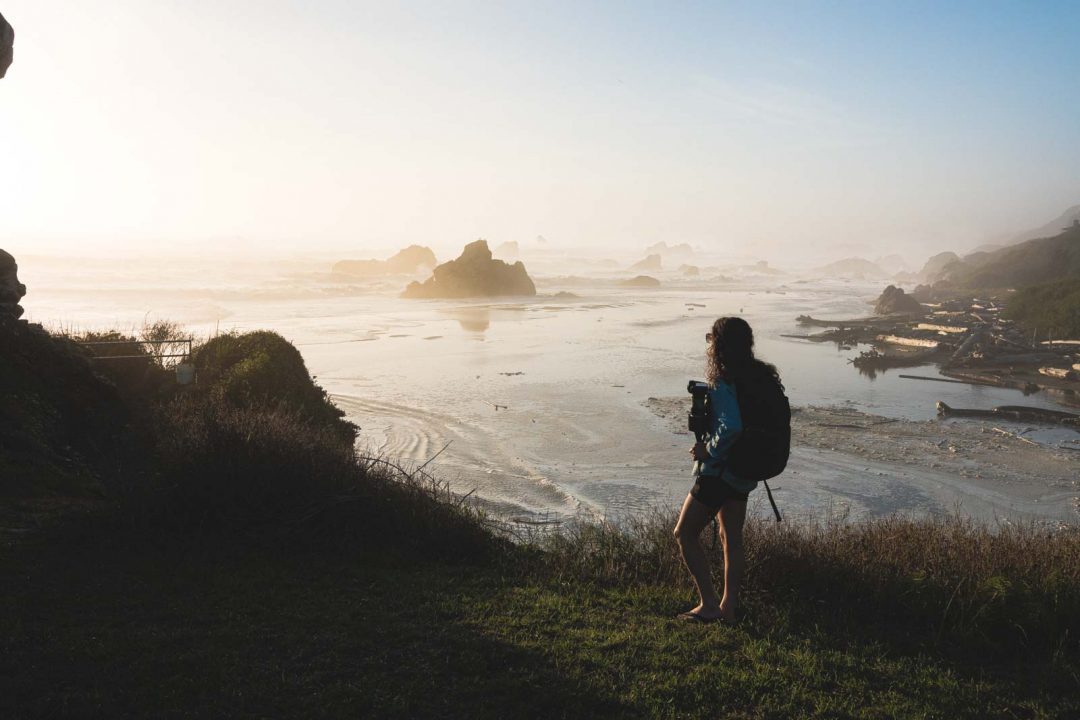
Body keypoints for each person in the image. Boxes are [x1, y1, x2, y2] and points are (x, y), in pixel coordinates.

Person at [674, 316, 782, 624]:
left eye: (712, 339)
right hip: (745, 470)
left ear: (719, 345)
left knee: (684, 533)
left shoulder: (724, 380)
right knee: (730, 539)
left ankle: (708, 605)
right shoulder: (759, 376)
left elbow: (731, 426)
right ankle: (728, 609)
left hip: (720, 471)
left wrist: (709, 449)